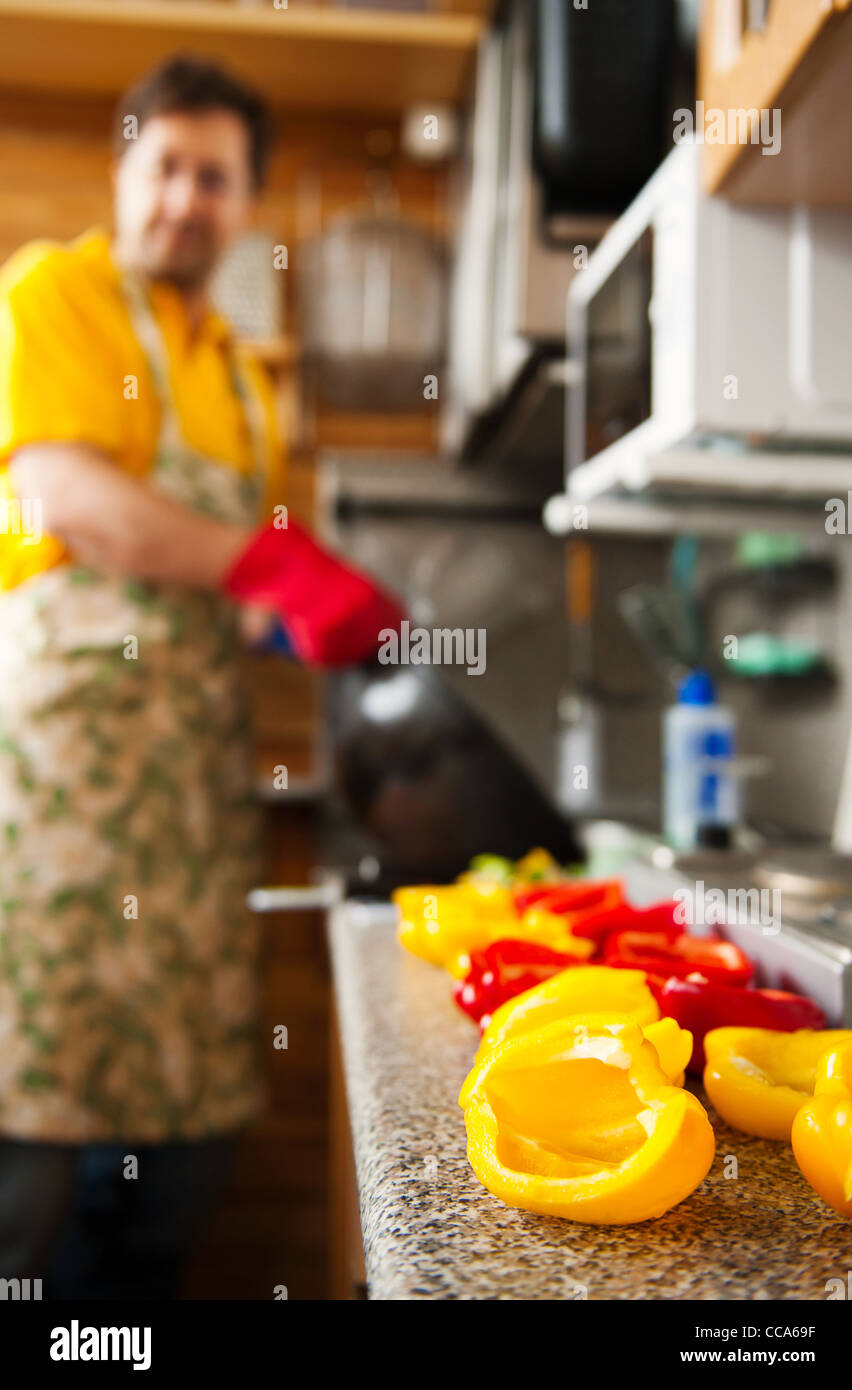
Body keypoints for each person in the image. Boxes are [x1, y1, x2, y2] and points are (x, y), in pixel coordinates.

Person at [0, 54, 398, 1299]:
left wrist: (289, 618)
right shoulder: (54, 295)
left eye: (213, 177)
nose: (184, 197)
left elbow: (228, 592)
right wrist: (273, 565)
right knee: (33, 1142)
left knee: (183, 1138)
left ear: (246, 205)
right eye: (163, 166)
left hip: (188, 804)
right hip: (56, 797)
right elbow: (73, 500)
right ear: (125, 173)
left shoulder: (241, 375)